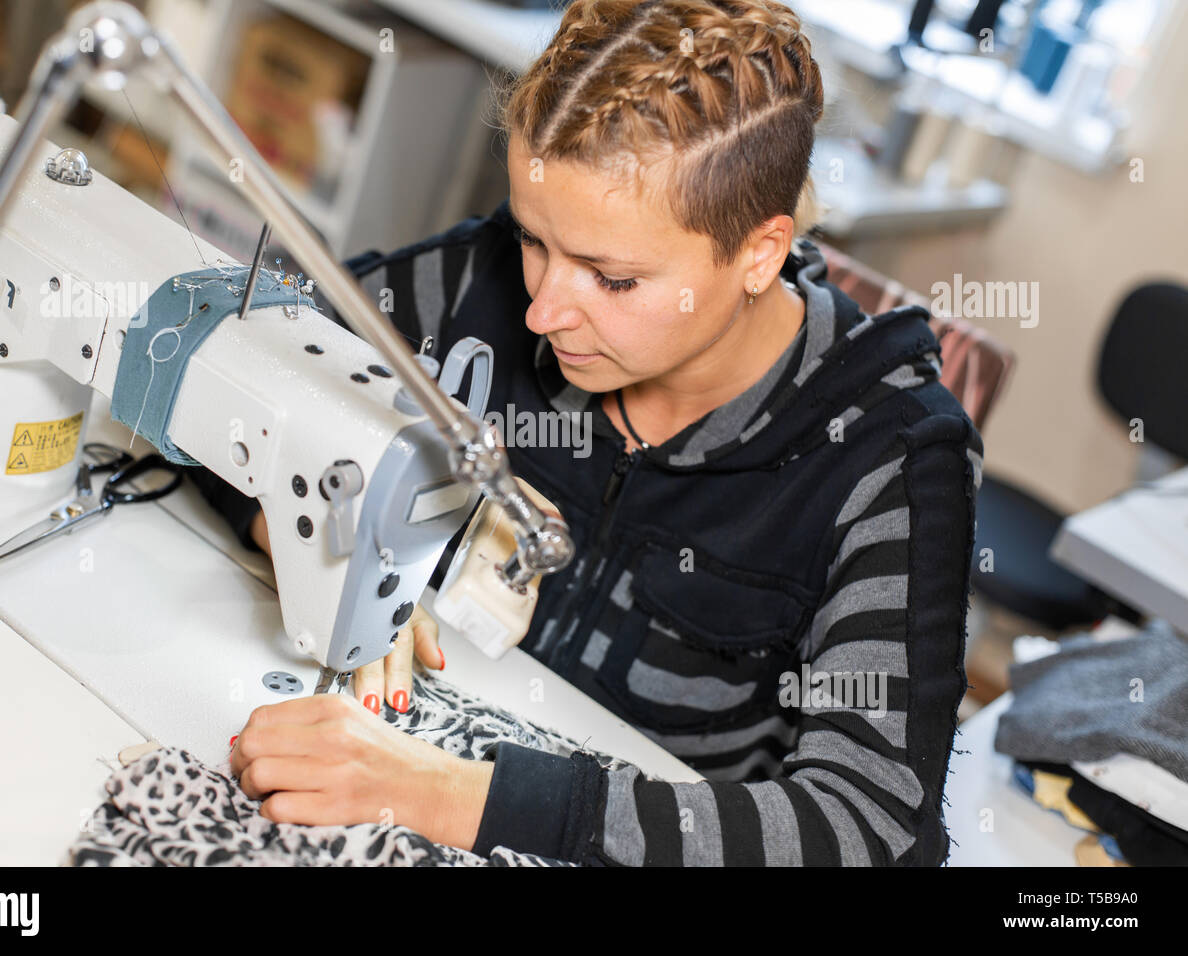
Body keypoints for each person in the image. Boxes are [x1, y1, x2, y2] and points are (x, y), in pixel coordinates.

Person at [189, 0, 983, 865]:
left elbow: (873, 825)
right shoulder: (485, 284)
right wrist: (312, 536)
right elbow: (232, 356)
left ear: (760, 253)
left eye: (611, 280)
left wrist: (439, 793)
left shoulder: (888, 458)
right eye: (535, 238)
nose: (542, 309)